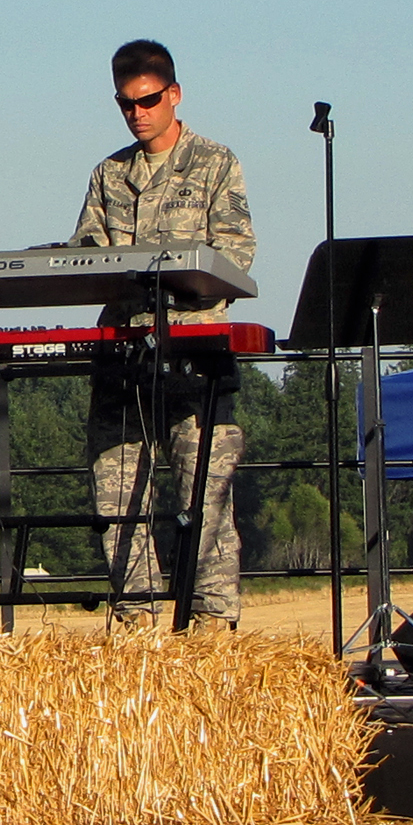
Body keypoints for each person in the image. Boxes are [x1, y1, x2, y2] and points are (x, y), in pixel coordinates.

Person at [73, 37, 258, 632]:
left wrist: (175, 284)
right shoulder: (109, 173)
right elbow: (85, 257)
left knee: (204, 497)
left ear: (174, 95)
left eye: (148, 100)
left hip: (192, 353)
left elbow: (236, 256)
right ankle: (136, 621)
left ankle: (211, 625)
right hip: (124, 357)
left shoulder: (214, 162)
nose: (138, 113)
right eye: (126, 103)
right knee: (116, 494)